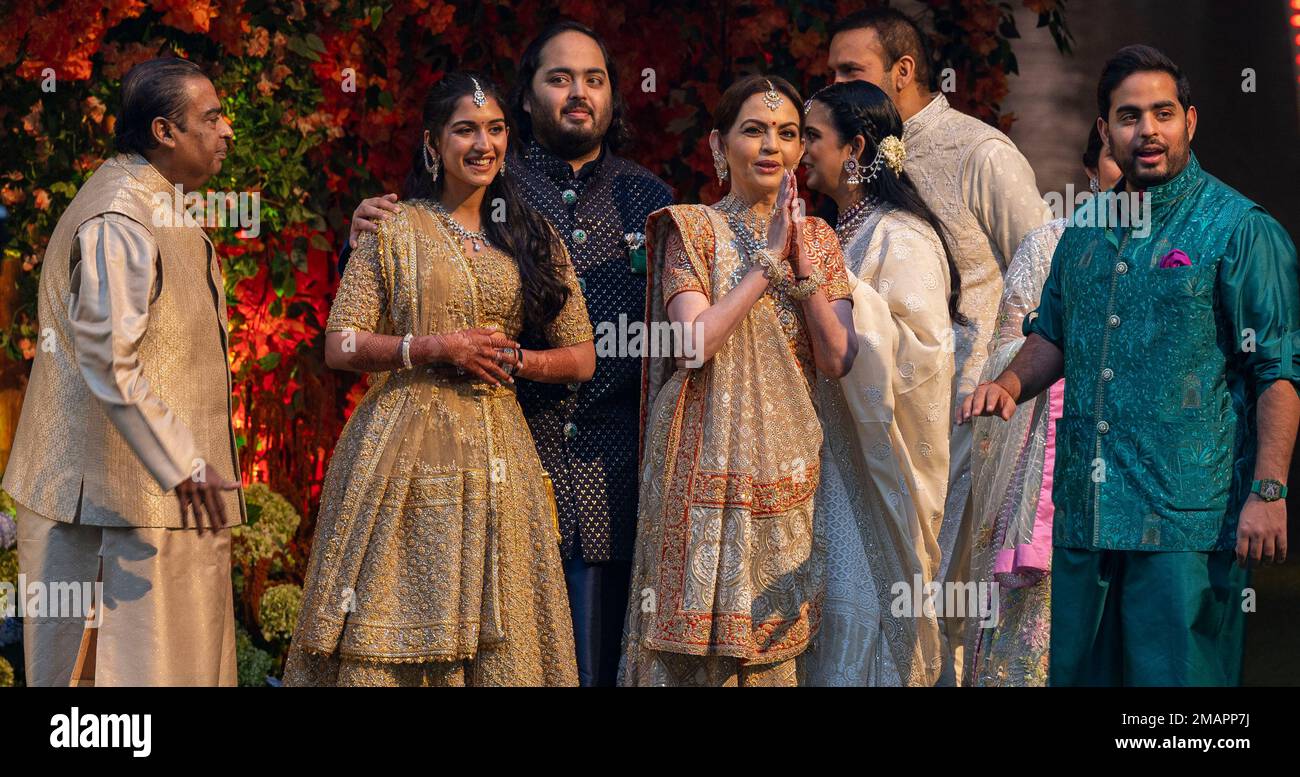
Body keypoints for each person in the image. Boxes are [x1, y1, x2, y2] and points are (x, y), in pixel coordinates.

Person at [959, 45, 1299, 686]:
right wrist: (1008, 383)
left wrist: (1269, 491)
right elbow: (1055, 335)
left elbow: (1277, 372)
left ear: (1190, 122)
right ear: (1105, 130)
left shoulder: (1240, 230)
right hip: (1087, 514)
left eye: (1162, 113)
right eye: (1129, 116)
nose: (1147, 131)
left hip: (1186, 519)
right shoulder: (1085, 229)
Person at [346, 21, 673, 686]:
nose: (579, 93)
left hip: (623, 468)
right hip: (505, 460)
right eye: (560, 78)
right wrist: (363, 239)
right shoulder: (490, 188)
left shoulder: (654, 201)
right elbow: (383, 305)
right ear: (526, 97)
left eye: (594, 79)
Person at [284, 73, 596, 686]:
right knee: (390, 620)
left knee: (502, 640)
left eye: (496, 129)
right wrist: (430, 346)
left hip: (500, 455)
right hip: (400, 453)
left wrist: (517, 362)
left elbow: (582, 357)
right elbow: (340, 344)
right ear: (433, 143)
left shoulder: (531, 234)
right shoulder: (392, 228)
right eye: (465, 130)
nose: (484, 144)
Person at [3, 57, 243, 686]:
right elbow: (107, 358)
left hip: (147, 502)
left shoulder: (151, 200)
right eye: (211, 118)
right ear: (165, 132)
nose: (227, 131)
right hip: (118, 508)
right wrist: (181, 461)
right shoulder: (120, 215)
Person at [828, 8, 1051, 679]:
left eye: (851, 71)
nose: (837, 84)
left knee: (948, 600)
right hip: (878, 412)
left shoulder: (979, 152)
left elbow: (1043, 274)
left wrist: (1005, 391)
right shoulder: (853, 155)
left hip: (967, 420)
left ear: (903, 71)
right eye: (831, 73)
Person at [619, 75, 857, 687]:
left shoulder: (823, 240)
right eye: (753, 130)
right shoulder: (690, 228)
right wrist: (765, 263)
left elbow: (837, 359)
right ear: (718, 145)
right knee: (688, 654)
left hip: (787, 469)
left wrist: (801, 267)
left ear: (803, 150)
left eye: (787, 133)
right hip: (699, 460)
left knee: (770, 654)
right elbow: (694, 344)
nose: (771, 146)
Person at [797, 80, 962, 686]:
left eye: (811, 136)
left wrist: (837, 295)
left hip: (868, 467)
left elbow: (920, 361)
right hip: (823, 463)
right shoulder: (833, 233)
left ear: (856, 147)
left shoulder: (903, 236)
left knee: (859, 607)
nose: (798, 150)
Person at [962, 126, 1122, 687]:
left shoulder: (1177, 246)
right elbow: (1006, 348)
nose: (1125, 169)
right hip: (1054, 468)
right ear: (1091, 171)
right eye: (1112, 158)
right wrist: (1050, 343)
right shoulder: (1049, 243)